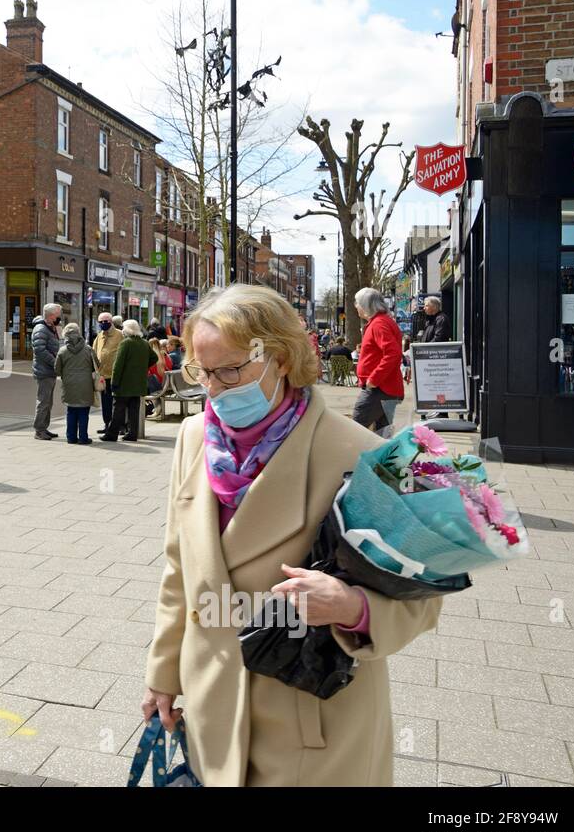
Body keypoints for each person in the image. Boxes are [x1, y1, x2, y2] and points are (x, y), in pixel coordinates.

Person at [142, 283, 441, 786]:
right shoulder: (195, 438)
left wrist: (353, 607)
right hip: (213, 708)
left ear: (279, 359)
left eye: (230, 371)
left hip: (315, 730)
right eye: (202, 371)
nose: (213, 389)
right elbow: (179, 567)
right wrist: (163, 674)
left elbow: (423, 602)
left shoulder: (364, 455)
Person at [352, 287, 404, 431]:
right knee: (382, 435)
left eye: (357, 303)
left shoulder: (379, 324)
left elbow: (393, 353)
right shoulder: (383, 321)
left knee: (355, 430)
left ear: (365, 304)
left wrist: (374, 378)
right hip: (385, 388)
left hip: (379, 389)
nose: (356, 306)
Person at [101, 319, 153, 442]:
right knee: (133, 410)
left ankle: (112, 434)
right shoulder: (144, 343)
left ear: (127, 330)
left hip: (124, 384)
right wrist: (142, 366)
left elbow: (118, 366)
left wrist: (114, 382)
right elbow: (154, 358)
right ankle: (132, 433)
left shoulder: (126, 343)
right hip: (138, 383)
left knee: (118, 409)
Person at [53, 322, 98, 445]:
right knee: (84, 412)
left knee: (71, 411)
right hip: (86, 385)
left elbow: (56, 370)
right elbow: (96, 366)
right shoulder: (88, 349)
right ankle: (83, 437)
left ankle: (71, 437)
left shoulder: (62, 351)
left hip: (69, 384)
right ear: (79, 333)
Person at [30, 303, 63, 440]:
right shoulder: (41, 329)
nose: (59, 318)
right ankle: (39, 430)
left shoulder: (50, 327)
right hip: (44, 371)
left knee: (48, 402)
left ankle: (44, 427)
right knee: (43, 402)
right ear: (50, 316)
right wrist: (55, 362)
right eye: (57, 315)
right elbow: (40, 349)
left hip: (49, 371)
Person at [92, 311, 122, 433]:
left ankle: (118, 426)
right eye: (100, 322)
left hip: (115, 375)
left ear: (111, 322)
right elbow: (94, 352)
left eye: (106, 322)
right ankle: (107, 424)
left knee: (117, 402)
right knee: (106, 403)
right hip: (102, 376)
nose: (103, 324)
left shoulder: (119, 335)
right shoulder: (99, 336)